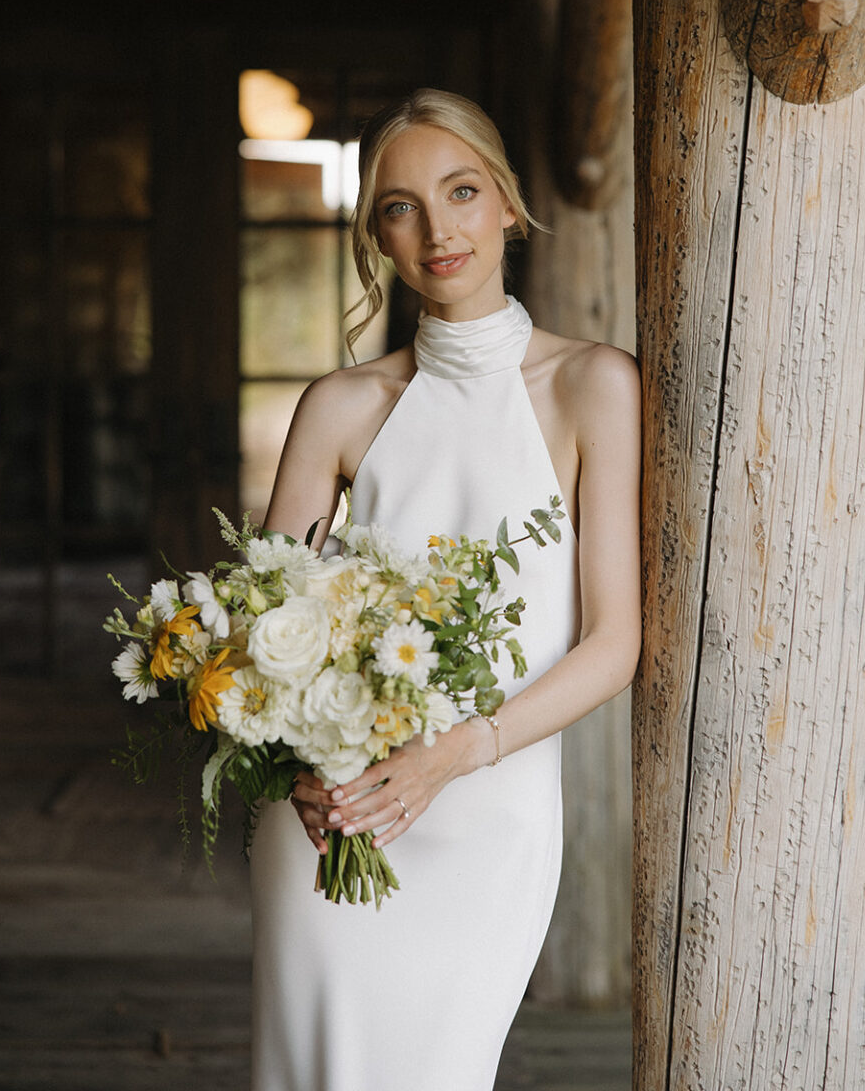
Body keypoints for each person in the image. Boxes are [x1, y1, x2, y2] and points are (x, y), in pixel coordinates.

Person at [250, 88, 641, 1091]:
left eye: (460, 192)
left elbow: (612, 641)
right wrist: (297, 763)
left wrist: (455, 754)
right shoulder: (340, 406)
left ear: (508, 206)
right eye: (399, 206)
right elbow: (261, 627)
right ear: (376, 234)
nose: (436, 229)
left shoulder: (592, 387)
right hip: (338, 817)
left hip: (489, 816)